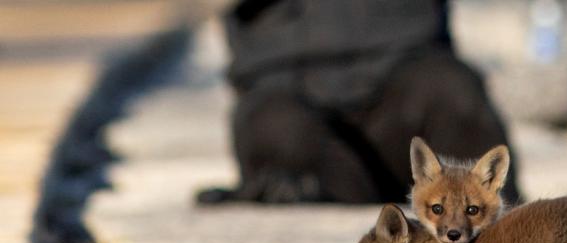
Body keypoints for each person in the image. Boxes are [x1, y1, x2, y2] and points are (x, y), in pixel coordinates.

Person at [197, 0, 521, 205]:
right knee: (273, 126)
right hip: (290, 92)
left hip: (407, 73)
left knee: (453, 92)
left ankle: (501, 233)